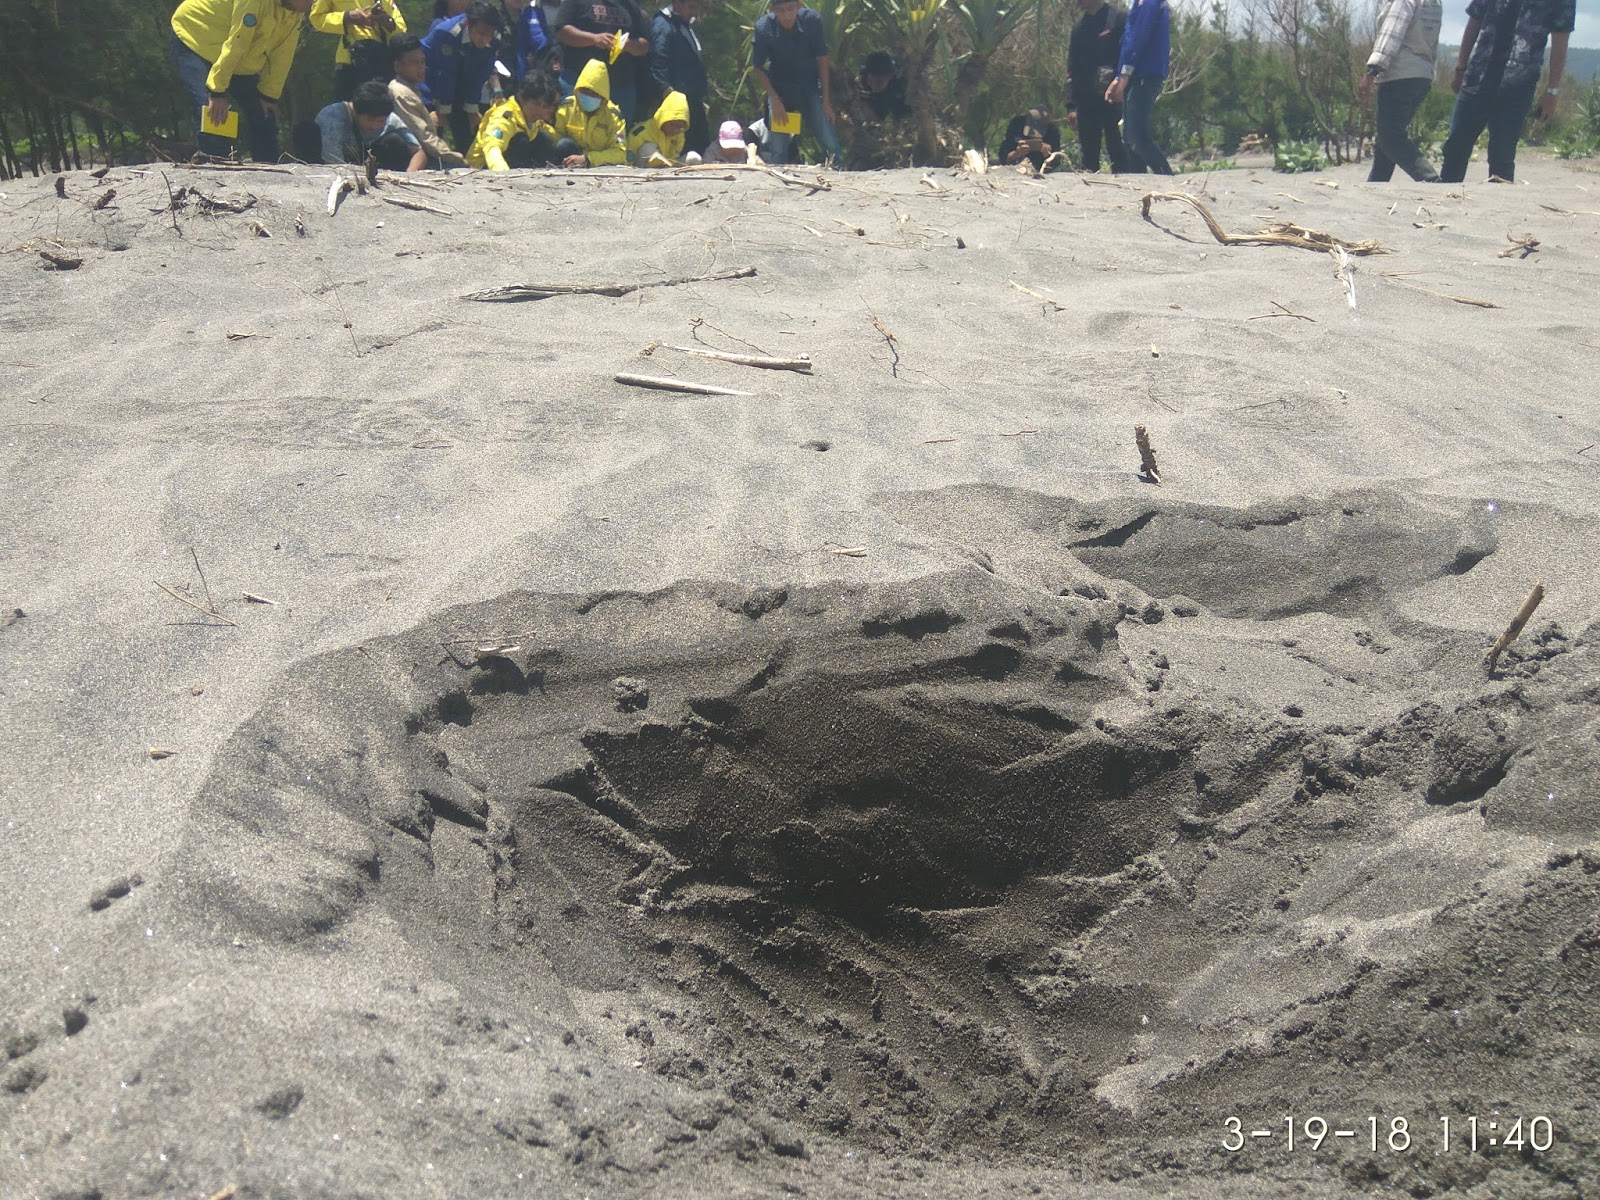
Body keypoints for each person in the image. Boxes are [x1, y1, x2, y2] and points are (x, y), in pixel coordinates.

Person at [1439, 0, 1572, 183]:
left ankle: (1498, 209)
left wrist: (1552, 91)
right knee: (1455, 146)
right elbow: (1474, 20)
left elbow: (1561, 39)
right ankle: (1446, 201)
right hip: (1477, 76)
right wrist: (1460, 68)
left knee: (1502, 156)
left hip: (1518, 85)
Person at [170, 0, 313, 162]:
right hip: (195, 37)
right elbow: (238, 40)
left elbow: (284, 53)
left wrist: (269, 96)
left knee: (265, 115)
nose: (313, 3)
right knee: (211, 110)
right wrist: (217, 91)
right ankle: (216, 166)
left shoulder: (295, 11)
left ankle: (269, 168)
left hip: (235, 57)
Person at [1359, 0, 1442, 182]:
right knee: (1387, 136)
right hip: (1422, 75)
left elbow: (1391, 35)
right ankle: (1377, 184)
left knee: (1390, 136)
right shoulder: (1434, 3)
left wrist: (1372, 70)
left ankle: (1431, 180)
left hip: (1399, 74)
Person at [751, 0, 839, 167]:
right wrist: (775, 100)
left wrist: (826, 101)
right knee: (778, 148)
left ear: (799, 6)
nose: (786, 15)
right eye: (781, 11)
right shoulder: (764, 28)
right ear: (773, 10)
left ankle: (840, 174)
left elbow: (822, 59)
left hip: (809, 87)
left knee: (829, 140)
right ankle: (780, 184)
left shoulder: (812, 21)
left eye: (790, 9)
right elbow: (758, 68)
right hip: (780, 92)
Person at [421, 0, 503, 150]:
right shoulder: (447, 33)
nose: (485, 39)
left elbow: (480, 74)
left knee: (470, 134)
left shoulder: (495, 40)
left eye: (489, 35)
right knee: (433, 132)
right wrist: (441, 111)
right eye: (481, 33)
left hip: (460, 85)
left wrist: (472, 108)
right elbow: (445, 73)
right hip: (430, 85)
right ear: (468, 24)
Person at [554, 0, 651, 123]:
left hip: (620, 86)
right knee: (572, 130)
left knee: (620, 134)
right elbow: (562, 31)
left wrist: (627, 45)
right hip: (578, 81)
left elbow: (645, 45)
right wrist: (594, 39)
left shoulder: (630, 5)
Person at [1105, 0, 1171, 174]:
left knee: (1136, 136)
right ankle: (1137, 181)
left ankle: (1168, 177)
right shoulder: (1137, 4)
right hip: (1134, 74)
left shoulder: (1150, 3)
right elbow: (1128, 40)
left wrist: (1124, 74)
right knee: (1128, 138)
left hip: (1146, 74)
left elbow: (1139, 36)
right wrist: (1119, 76)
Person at [1065, 0, 1128, 173]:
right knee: (1089, 156)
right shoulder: (1079, 28)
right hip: (1086, 100)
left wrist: (1122, 84)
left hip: (1113, 96)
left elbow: (1129, 55)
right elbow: (1071, 69)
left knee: (1117, 147)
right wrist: (1070, 106)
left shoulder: (1118, 19)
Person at [388, 34, 467, 166]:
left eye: (422, 61)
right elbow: (424, 138)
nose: (421, 67)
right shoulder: (400, 93)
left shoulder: (411, 88)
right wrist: (459, 159)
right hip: (414, 157)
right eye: (414, 63)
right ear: (397, 66)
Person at [315, 78, 427, 167]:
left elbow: (418, 152)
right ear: (356, 110)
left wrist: (409, 174)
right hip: (328, 164)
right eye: (370, 120)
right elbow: (334, 163)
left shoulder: (390, 119)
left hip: (370, 163)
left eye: (380, 121)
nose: (374, 126)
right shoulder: (333, 118)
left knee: (393, 141)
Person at [309, 0, 406, 101]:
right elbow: (316, 18)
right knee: (347, 111)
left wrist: (385, 20)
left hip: (382, 61)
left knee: (383, 110)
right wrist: (347, 17)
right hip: (349, 61)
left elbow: (401, 30)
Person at [649, 0, 710, 158]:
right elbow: (658, 62)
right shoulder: (663, 25)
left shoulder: (682, 24)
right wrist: (668, 94)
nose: (694, 12)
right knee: (684, 147)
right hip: (678, 102)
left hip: (692, 98)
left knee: (700, 144)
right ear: (677, 4)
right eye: (690, 7)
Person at [468, 72, 562, 167]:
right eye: (536, 104)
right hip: (483, 168)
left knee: (545, 139)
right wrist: (503, 174)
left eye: (544, 106)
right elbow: (492, 147)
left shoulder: (535, 122)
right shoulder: (505, 116)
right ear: (522, 97)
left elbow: (555, 138)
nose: (540, 110)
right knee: (521, 141)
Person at [551, 58, 628, 166]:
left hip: (601, 165)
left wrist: (588, 159)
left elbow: (619, 152)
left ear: (603, 97)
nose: (588, 96)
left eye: (593, 93)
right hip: (571, 161)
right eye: (584, 91)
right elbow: (556, 137)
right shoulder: (566, 108)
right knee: (563, 144)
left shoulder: (615, 117)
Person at [628, 90, 690, 165]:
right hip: (640, 172)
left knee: (693, 158)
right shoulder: (641, 132)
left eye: (680, 127)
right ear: (665, 118)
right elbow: (628, 157)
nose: (675, 130)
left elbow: (675, 156)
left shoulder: (679, 134)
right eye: (673, 124)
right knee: (649, 149)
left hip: (668, 169)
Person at [857, 50, 910, 121]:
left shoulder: (900, 86)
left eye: (878, 82)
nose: (872, 84)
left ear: (889, 77)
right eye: (870, 80)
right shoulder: (863, 79)